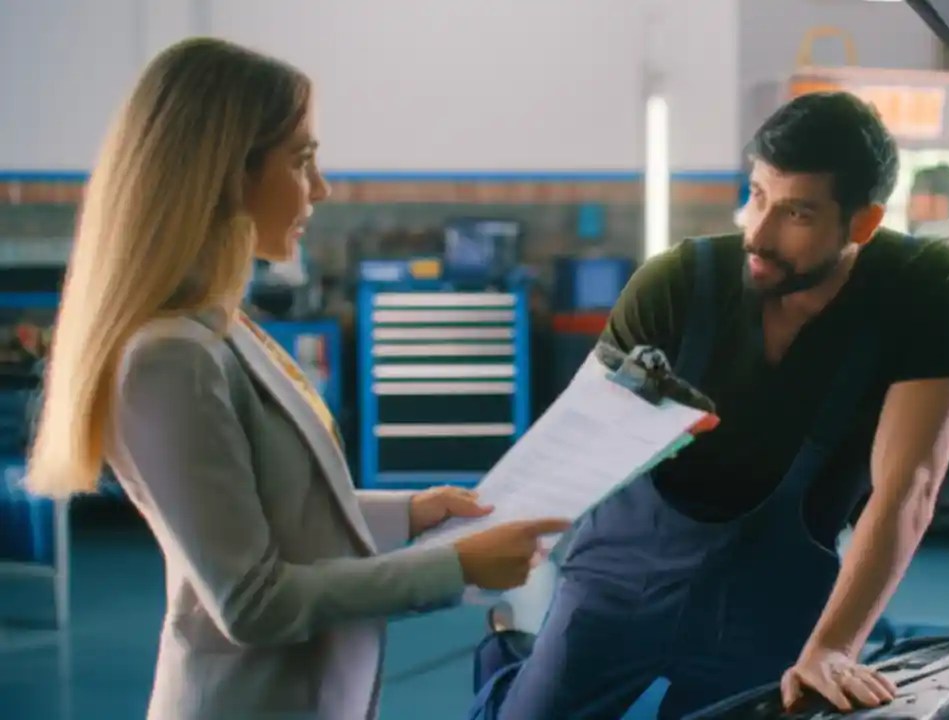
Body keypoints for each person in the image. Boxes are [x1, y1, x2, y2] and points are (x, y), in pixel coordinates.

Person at [23, 37, 570, 720]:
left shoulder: (223, 326)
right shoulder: (170, 359)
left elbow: (274, 503)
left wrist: (411, 513)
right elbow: (251, 600)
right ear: (225, 175)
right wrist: (455, 568)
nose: (322, 188)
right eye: (302, 160)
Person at [473, 91, 949, 719]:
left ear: (863, 225)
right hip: (625, 573)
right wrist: (480, 544)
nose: (758, 233)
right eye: (757, 194)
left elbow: (912, 483)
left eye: (796, 212)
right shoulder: (676, 282)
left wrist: (835, 647)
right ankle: (507, 670)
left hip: (775, 594)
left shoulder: (921, 284)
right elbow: (580, 444)